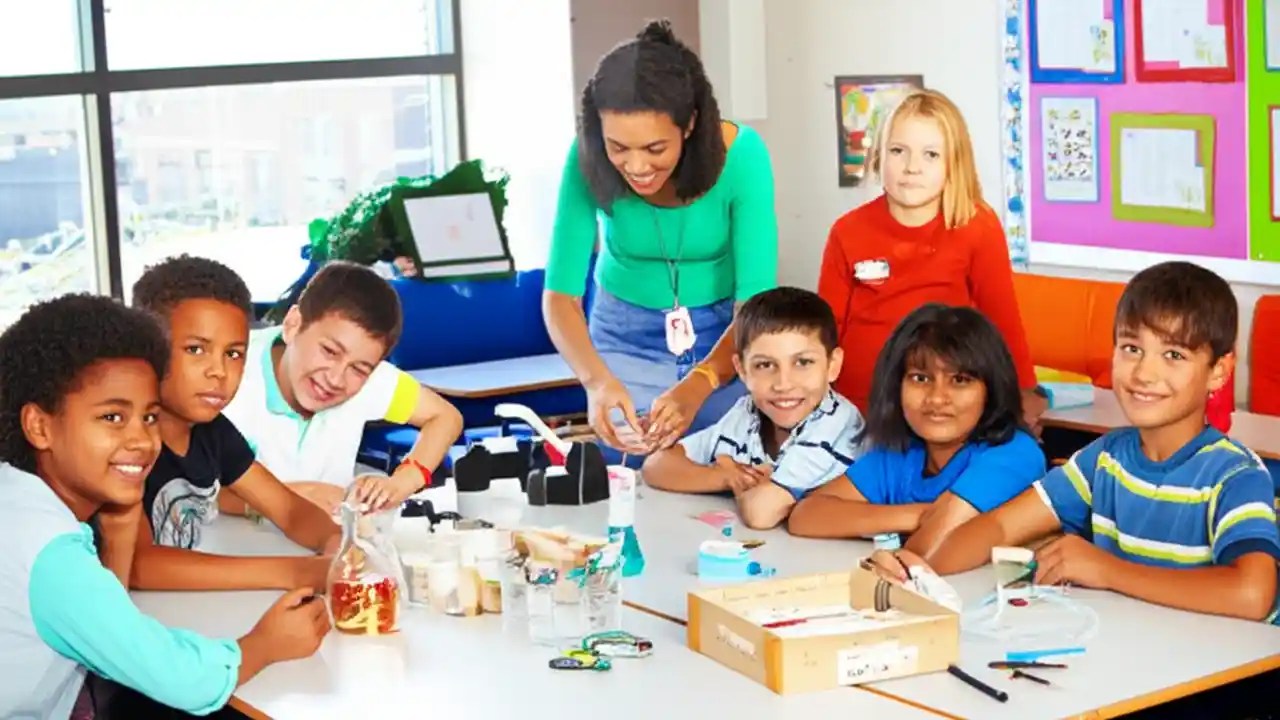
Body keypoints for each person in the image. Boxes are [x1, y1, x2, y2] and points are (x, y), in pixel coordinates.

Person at [874, 262, 1280, 623]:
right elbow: (996, 526)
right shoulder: (1103, 460)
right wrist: (921, 572)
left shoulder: (1234, 474)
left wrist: (1106, 570)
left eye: (1173, 355)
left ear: (1219, 371)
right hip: (1136, 653)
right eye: (1132, 349)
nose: (1144, 373)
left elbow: (1253, 594)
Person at [0, 294, 328, 718]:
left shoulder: (19, 497)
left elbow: (107, 628)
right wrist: (264, 645)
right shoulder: (50, 552)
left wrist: (121, 523)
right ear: (39, 426)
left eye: (149, 417)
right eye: (112, 418)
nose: (142, 440)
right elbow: (182, 679)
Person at [543, 19, 780, 461]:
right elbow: (560, 299)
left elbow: (756, 304)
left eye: (655, 149)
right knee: (631, 463)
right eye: (618, 148)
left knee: (723, 463)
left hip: (728, 341)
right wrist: (597, 382)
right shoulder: (585, 155)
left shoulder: (743, 156)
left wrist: (701, 382)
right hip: (623, 336)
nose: (636, 167)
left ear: (689, 125)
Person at [818, 89, 1046, 430]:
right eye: (898, 151)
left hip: (943, 409)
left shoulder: (977, 226)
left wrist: (1023, 394)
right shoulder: (847, 231)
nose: (912, 167)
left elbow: (1003, 320)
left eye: (931, 155)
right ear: (879, 156)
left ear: (954, 163)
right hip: (857, 411)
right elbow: (824, 331)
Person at [116, 256, 339, 591]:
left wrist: (337, 542)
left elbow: (289, 510)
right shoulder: (127, 442)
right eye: (196, 349)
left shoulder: (213, 432)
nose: (219, 372)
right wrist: (297, 572)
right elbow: (140, 565)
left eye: (233, 354)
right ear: (148, 350)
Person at [789, 304, 1044, 556]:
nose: (937, 398)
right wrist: (920, 515)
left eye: (960, 380)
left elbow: (933, 547)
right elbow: (806, 515)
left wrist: (892, 521)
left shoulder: (1014, 454)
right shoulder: (900, 454)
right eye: (921, 378)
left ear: (991, 390)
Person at [222, 261, 463, 514]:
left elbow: (445, 417)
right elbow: (199, 493)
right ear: (293, 325)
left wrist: (404, 480)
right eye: (329, 351)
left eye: (359, 369)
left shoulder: (371, 380)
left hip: (329, 536)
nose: (336, 379)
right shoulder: (225, 373)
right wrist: (284, 498)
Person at [642, 288, 864, 529]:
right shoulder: (746, 413)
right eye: (765, 365)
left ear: (833, 365)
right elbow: (657, 466)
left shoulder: (836, 423)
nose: (783, 384)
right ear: (741, 370)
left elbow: (761, 514)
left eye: (803, 362)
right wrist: (727, 476)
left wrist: (728, 468)